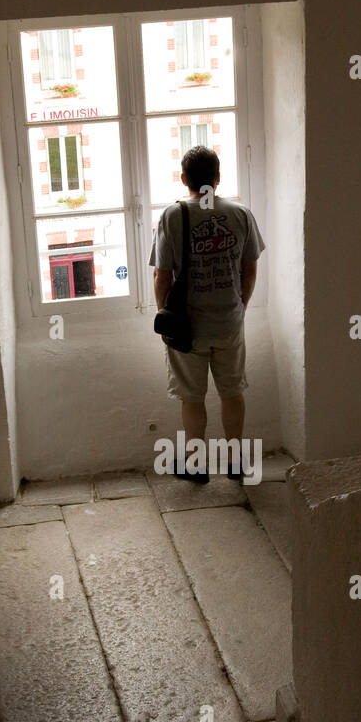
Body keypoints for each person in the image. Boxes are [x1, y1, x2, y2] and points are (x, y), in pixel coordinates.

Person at [149, 145, 265, 482]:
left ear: (183, 178)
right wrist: (238, 308)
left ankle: (195, 464)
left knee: (192, 398)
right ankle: (236, 462)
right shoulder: (240, 214)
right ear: (217, 177)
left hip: (188, 326)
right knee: (232, 392)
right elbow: (250, 271)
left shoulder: (173, 216)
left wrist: (165, 315)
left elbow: (162, 275)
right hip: (229, 322)